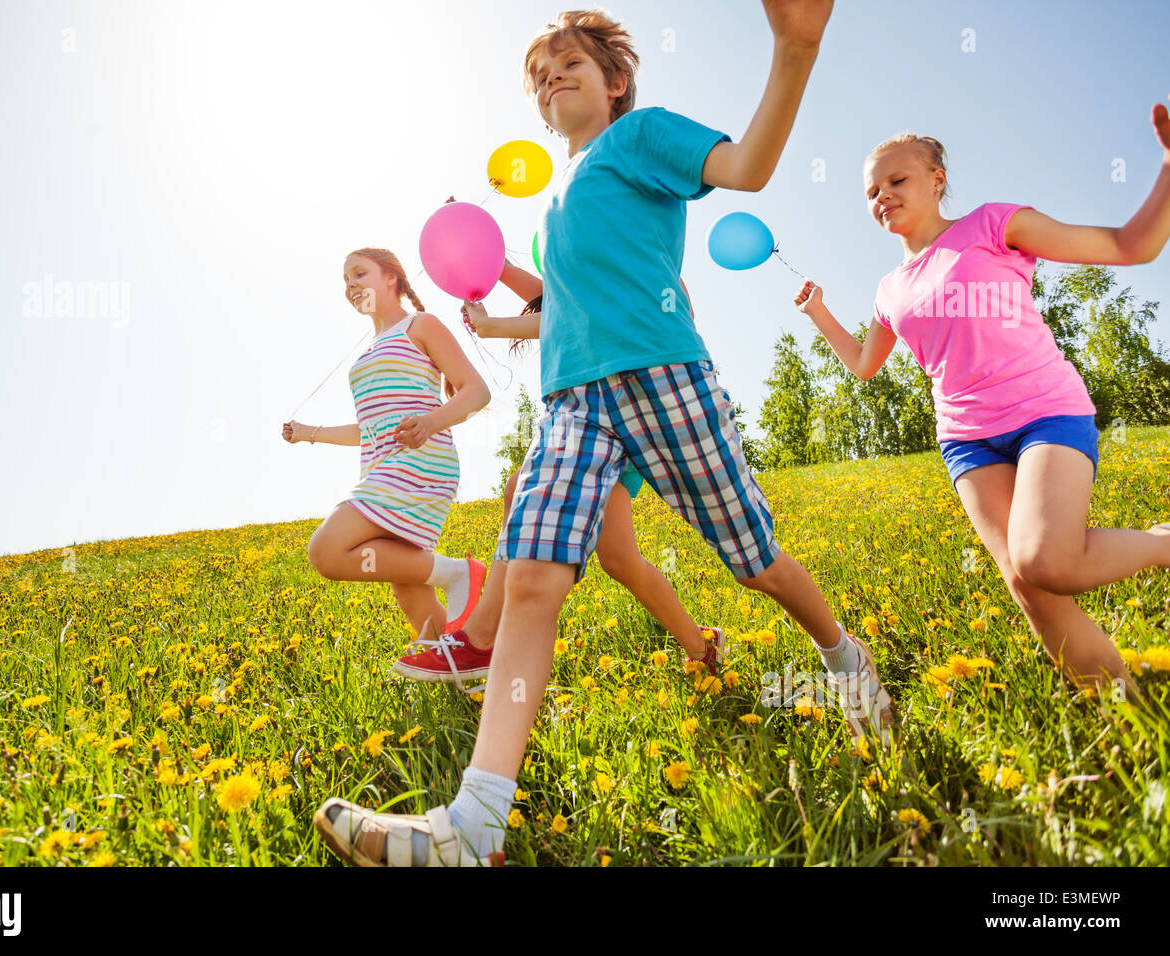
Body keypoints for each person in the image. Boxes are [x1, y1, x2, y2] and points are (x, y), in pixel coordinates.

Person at [315, 2, 894, 868]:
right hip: (574, 406)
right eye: (540, 79)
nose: (552, 80)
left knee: (752, 560)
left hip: (664, 379)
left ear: (615, 81)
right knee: (535, 575)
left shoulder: (642, 139)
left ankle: (843, 657)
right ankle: (475, 825)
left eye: (569, 66)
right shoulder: (554, 208)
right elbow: (559, 312)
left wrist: (794, 52)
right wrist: (494, 298)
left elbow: (749, 167)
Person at [792, 109, 1170, 696]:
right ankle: (1124, 712)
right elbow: (865, 365)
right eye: (872, 191)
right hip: (967, 439)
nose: (883, 197)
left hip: (1044, 410)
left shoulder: (994, 224)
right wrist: (819, 313)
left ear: (937, 178)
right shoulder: (891, 288)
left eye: (897, 181)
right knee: (1028, 585)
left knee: (1045, 559)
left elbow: (1131, 245)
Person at [392, 273, 726, 689]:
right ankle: (702, 647)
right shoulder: (582, 249)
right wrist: (494, 267)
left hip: (632, 404)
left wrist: (494, 324)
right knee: (619, 559)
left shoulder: (641, 250)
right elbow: (561, 296)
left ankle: (481, 640)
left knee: (521, 489)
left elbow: (592, 311)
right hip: (596, 411)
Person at [283, 247, 489, 646]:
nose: (351, 285)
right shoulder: (365, 356)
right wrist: (309, 432)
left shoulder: (420, 325)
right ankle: (459, 664)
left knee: (326, 551)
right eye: (346, 280)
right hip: (382, 467)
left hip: (419, 464)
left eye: (359, 274)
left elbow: (476, 391)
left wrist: (431, 422)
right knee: (407, 584)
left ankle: (458, 573)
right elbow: (370, 430)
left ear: (391, 277)